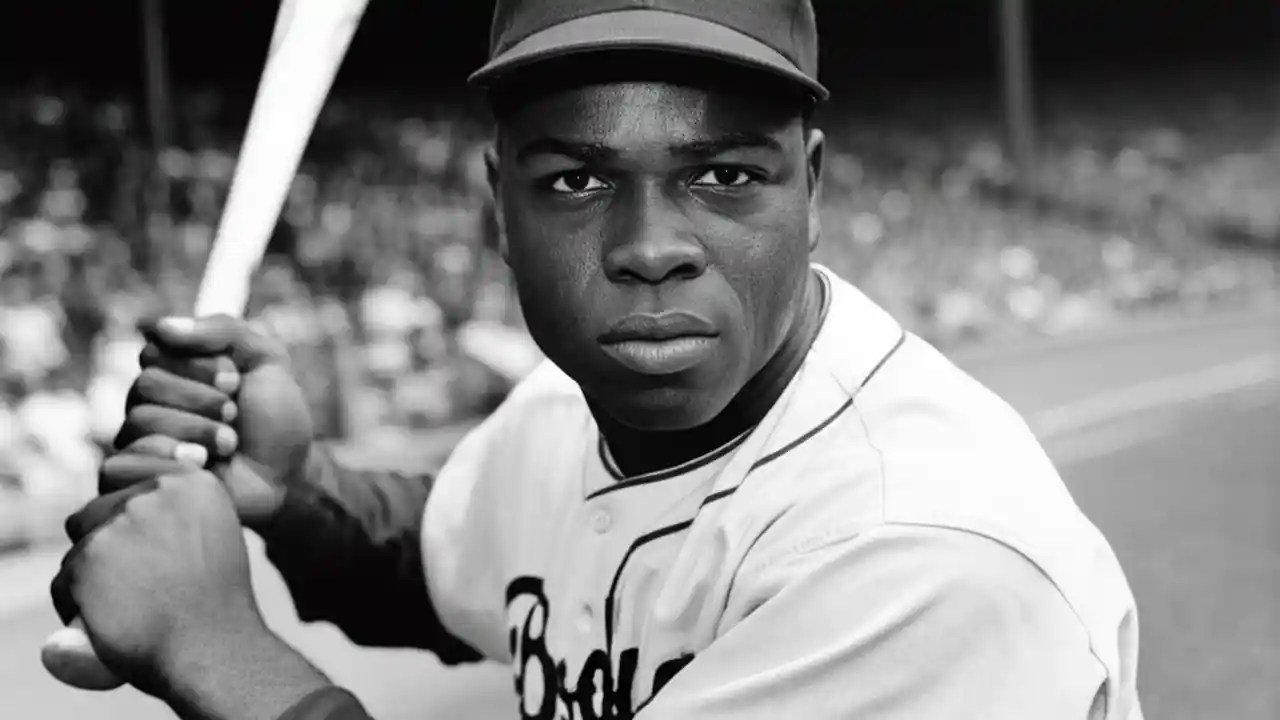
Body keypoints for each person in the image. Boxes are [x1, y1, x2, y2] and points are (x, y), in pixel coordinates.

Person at [50, 1, 1145, 718]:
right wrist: (291, 494)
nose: (648, 249)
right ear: (499, 206)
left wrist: (216, 648)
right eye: (575, 181)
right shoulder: (565, 414)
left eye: (721, 176)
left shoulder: (924, 552)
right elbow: (447, 571)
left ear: (811, 188)